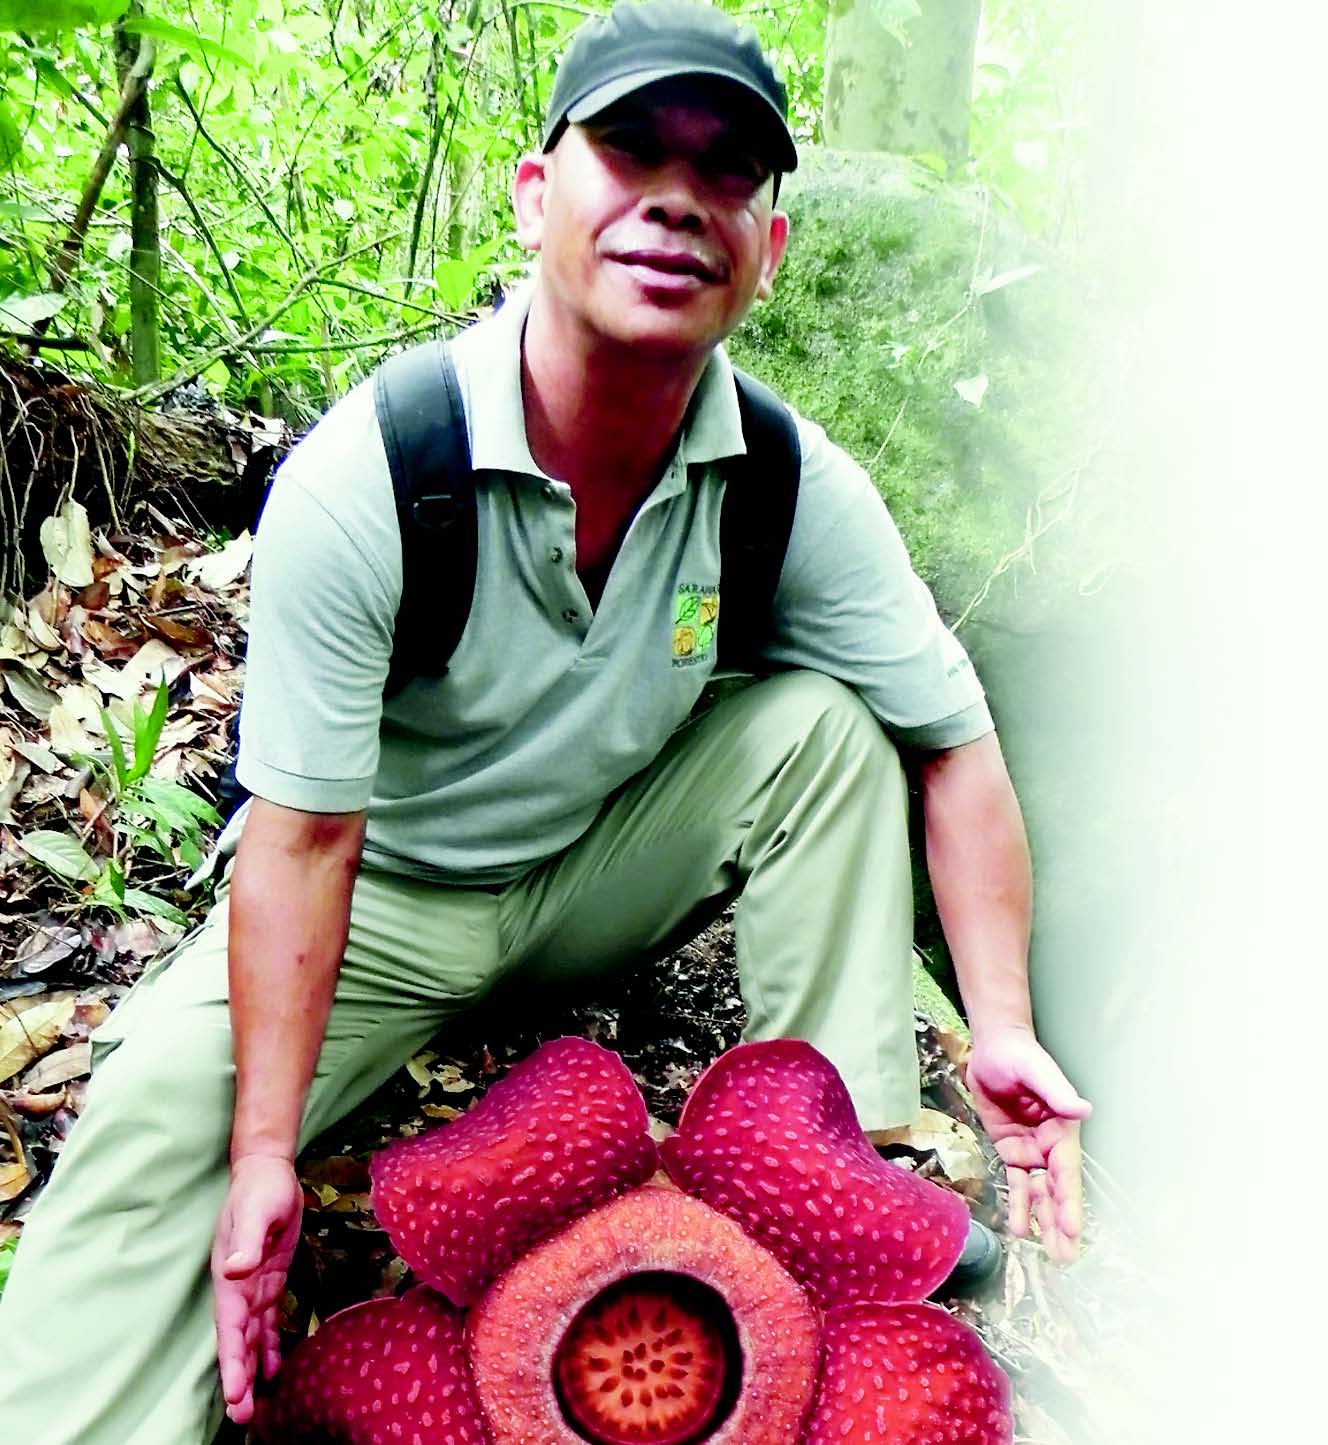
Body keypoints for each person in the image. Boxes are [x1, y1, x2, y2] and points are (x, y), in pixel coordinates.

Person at [0, 3, 1091, 1440]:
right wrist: (263, 1147)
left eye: (726, 176)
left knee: (828, 725)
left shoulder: (781, 481)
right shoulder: (376, 473)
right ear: (535, 196)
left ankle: (833, 1189)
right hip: (379, 891)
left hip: (593, 867)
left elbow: (952, 744)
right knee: (157, 1128)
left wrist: (1001, 1023)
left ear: (765, 252)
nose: (675, 200)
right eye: (630, 146)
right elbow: (305, 836)